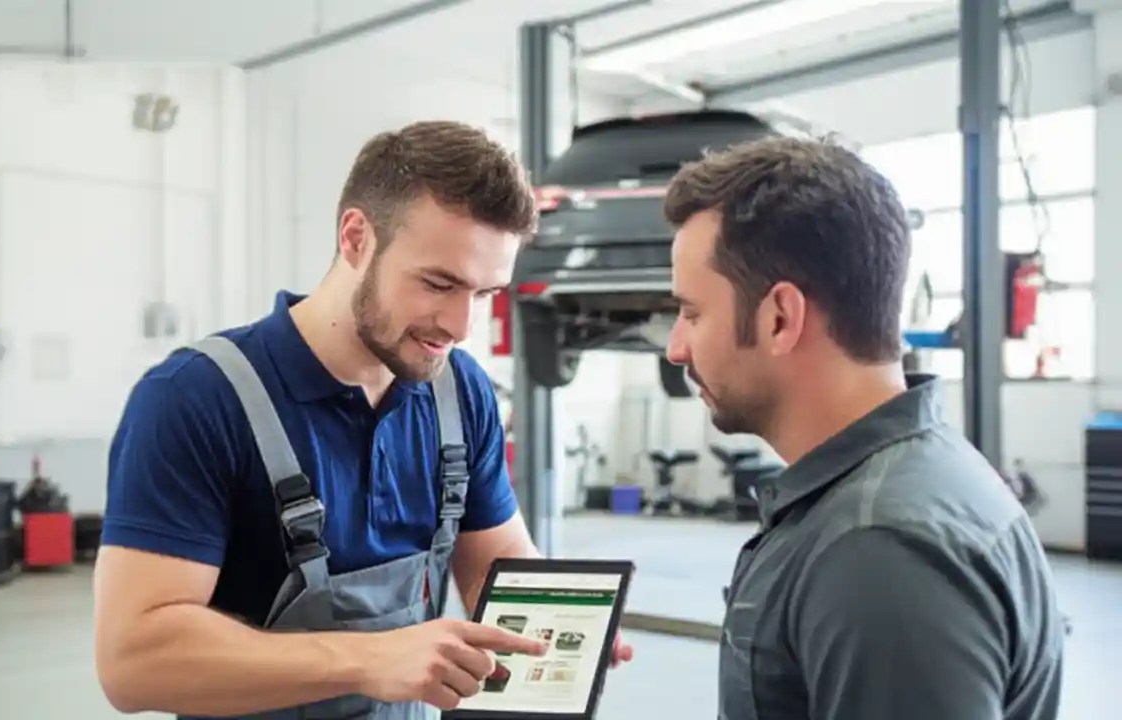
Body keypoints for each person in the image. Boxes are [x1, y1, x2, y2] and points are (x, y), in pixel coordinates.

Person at [93, 120, 631, 720]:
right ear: (355, 238)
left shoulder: (460, 392)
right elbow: (132, 664)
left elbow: (497, 569)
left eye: (484, 294)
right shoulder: (194, 400)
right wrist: (367, 660)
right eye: (438, 283)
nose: (460, 326)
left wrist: (558, 628)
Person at [662, 136, 1064, 720]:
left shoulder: (878, 551)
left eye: (692, 313)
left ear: (780, 318)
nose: (676, 348)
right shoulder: (905, 484)